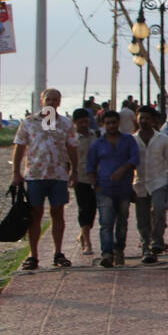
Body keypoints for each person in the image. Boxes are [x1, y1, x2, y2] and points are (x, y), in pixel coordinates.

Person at [10, 88, 79, 270]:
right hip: (35, 175)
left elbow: (72, 147)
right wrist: (16, 173)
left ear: (60, 102)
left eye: (55, 100)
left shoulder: (65, 123)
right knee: (35, 215)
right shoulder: (29, 122)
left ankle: (58, 252)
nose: (52, 102)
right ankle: (33, 255)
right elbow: (19, 147)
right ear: (42, 101)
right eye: (48, 99)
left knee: (58, 213)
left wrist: (75, 170)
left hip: (58, 175)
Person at [86, 109, 139, 268]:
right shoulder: (98, 144)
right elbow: (90, 166)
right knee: (106, 222)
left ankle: (119, 250)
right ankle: (107, 253)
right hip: (105, 189)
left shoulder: (128, 140)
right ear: (103, 125)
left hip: (124, 189)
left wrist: (123, 169)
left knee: (122, 222)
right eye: (108, 123)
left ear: (118, 123)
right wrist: (95, 185)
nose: (111, 125)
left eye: (114, 122)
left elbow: (135, 158)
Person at [133, 106, 168, 264]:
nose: (144, 121)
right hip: (139, 183)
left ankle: (156, 241)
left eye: (147, 118)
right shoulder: (132, 140)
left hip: (159, 181)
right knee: (142, 217)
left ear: (153, 121)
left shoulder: (163, 139)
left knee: (159, 210)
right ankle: (146, 247)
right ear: (137, 119)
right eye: (141, 118)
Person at [71, 108, 98, 256]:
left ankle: (83, 234)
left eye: (86, 122)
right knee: (84, 209)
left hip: (96, 177)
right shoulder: (72, 138)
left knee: (93, 210)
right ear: (75, 122)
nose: (84, 124)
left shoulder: (95, 135)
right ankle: (87, 242)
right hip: (80, 178)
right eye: (81, 122)